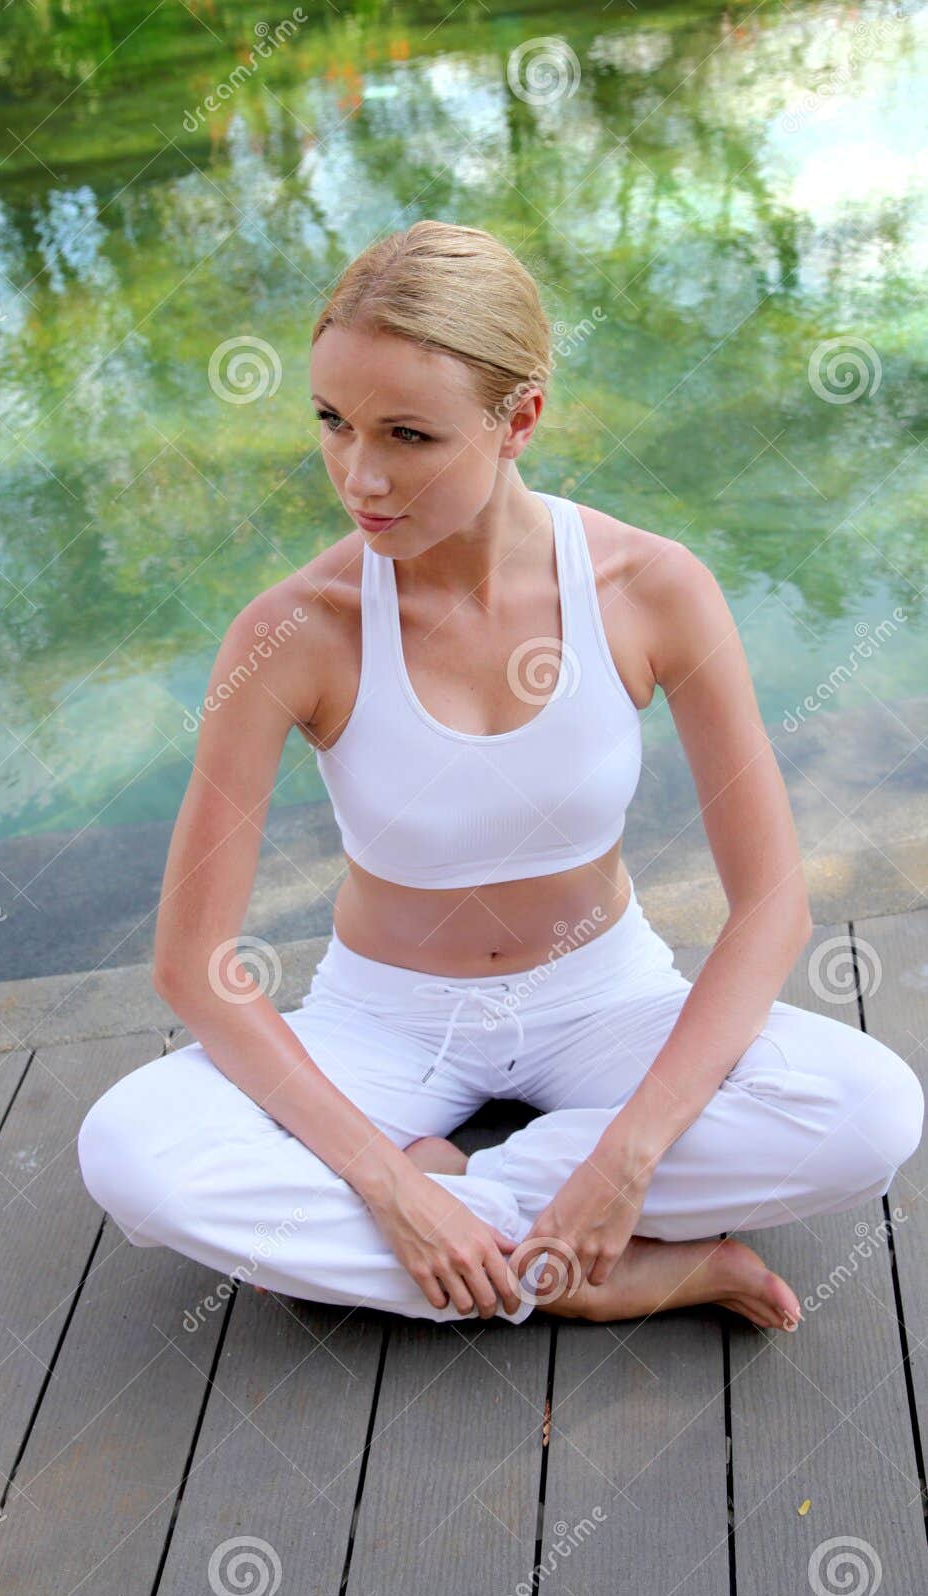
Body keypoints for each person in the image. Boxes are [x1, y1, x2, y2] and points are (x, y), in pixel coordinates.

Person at [77, 220, 923, 1333]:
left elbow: (769, 907)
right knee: (132, 1154)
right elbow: (193, 966)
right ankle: (593, 1267)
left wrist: (625, 1156)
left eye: (408, 435)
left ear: (519, 416)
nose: (357, 475)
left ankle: (484, 1227)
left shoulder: (649, 587)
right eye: (331, 422)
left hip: (603, 997)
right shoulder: (293, 631)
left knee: (869, 1111)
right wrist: (391, 1186)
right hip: (384, 1022)